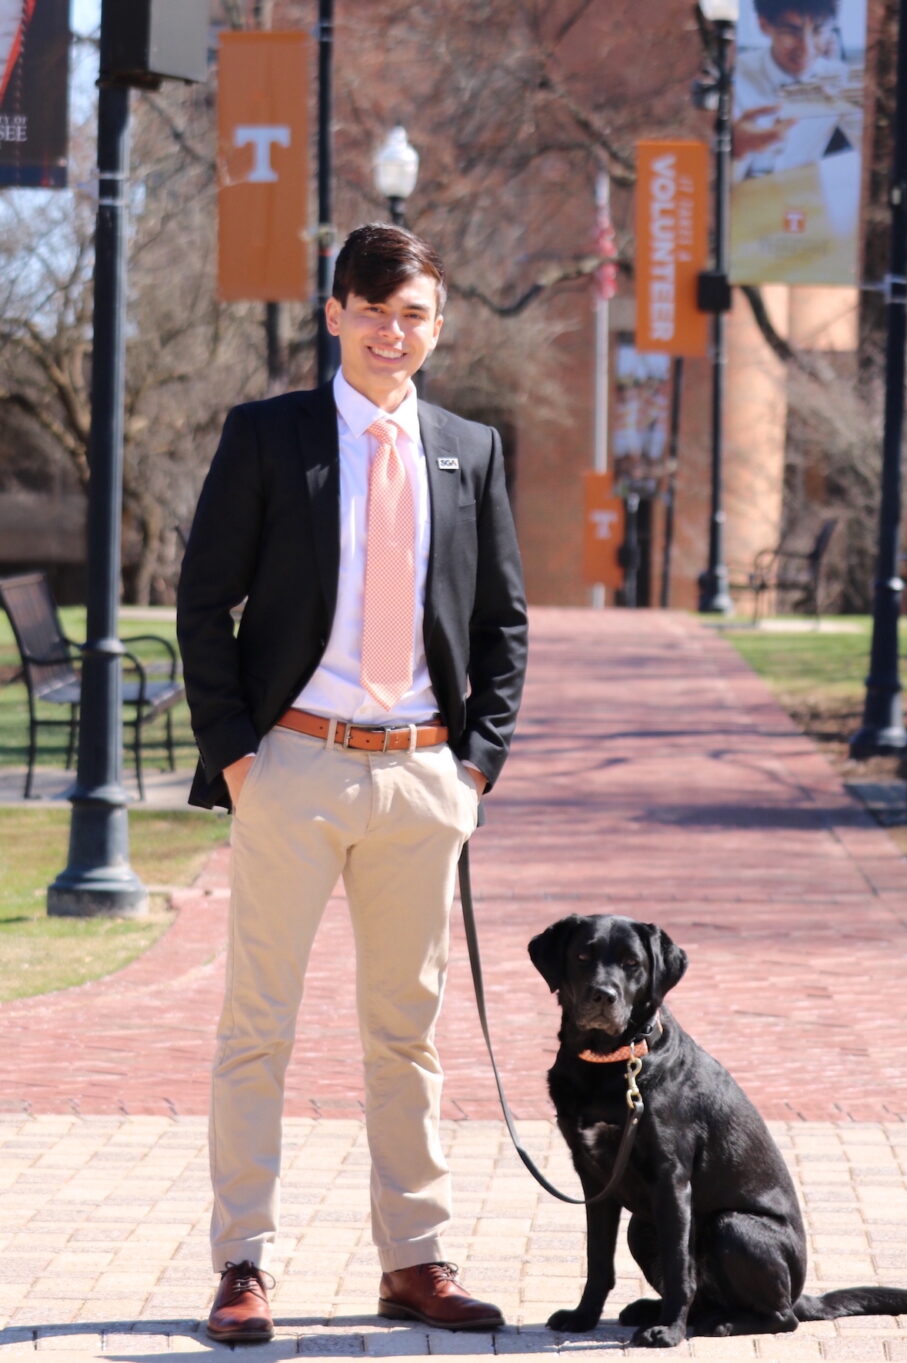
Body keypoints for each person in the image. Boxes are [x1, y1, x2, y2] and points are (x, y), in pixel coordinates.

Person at [176, 223, 528, 1343]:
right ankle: (242, 1262)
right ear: (333, 314)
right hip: (295, 765)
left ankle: (415, 1262)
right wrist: (240, 751)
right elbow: (202, 601)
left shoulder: (469, 449)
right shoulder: (272, 437)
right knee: (257, 1027)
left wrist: (473, 766)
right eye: (371, 310)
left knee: (406, 1033)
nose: (392, 331)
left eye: (412, 313)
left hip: (423, 775)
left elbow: (502, 620)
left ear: (438, 323)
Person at [732, 0, 862, 182]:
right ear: (764, 26)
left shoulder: (840, 80)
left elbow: (874, 155)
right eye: (792, 32)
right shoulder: (734, 77)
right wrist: (736, 149)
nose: (806, 49)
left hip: (805, 196)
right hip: (740, 195)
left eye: (818, 30)